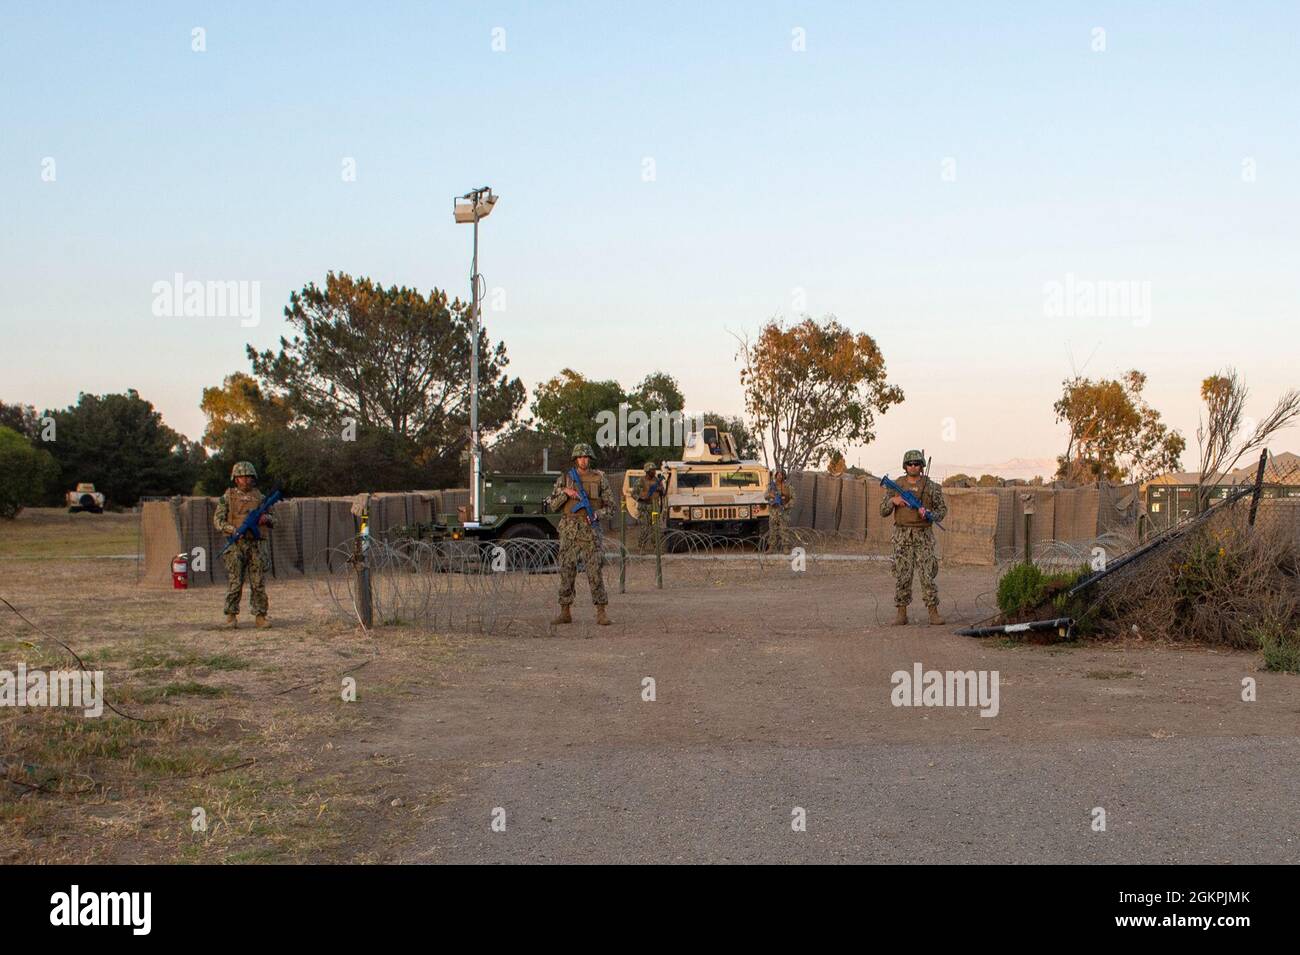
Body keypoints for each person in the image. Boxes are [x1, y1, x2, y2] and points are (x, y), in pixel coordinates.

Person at [546, 443, 615, 626]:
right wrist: (565, 493)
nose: (583, 460)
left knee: (594, 570)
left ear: (590, 459)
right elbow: (552, 505)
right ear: (575, 459)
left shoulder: (599, 478)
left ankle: (601, 611)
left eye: (586, 457)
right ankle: (565, 611)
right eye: (580, 457)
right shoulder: (566, 479)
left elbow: (611, 508)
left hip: (590, 529)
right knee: (567, 570)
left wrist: (596, 514)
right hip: (569, 529)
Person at [880, 450, 948, 625]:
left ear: (922, 466)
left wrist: (929, 513)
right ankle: (901, 614)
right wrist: (893, 501)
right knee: (903, 574)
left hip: (923, 535)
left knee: (927, 575)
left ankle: (933, 612)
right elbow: (883, 511)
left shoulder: (931, 487)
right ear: (905, 466)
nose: (913, 467)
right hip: (902, 536)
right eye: (910, 464)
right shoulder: (896, 486)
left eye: (917, 464)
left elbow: (942, 511)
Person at [213, 460, 275, 629]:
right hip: (236, 545)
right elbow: (218, 521)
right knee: (235, 582)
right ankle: (231, 616)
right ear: (235, 479)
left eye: (249, 477)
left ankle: (260, 616)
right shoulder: (228, 497)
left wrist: (266, 519)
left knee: (258, 583)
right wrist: (232, 529)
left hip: (256, 545)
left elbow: (274, 519)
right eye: (242, 477)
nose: (245, 480)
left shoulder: (261, 498)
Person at [636, 462, 665, 552]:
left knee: (656, 528)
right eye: (652, 470)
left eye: (654, 470)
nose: (654, 471)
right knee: (644, 528)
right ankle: (641, 547)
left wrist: (660, 490)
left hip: (654, 507)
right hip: (644, 508)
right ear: (647, 471)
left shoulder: (657, 480)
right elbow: (634, 493)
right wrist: (642, 498)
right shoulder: (641, 481)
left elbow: (663, 492)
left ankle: (657, 547)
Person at [764, 469, 796, 552]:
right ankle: (771, 547)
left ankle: (785, 547)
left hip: (783, 512)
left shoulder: (788, 487)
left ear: (784, 476)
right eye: (778, 475)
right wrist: (771, 496)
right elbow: (765, 495)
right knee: (772, 531)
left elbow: (793, 499)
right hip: (773, 512)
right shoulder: (771, 486)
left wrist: (786, 506)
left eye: (781, 475)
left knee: (784, 530)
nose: (779, 476)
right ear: (775, 476)